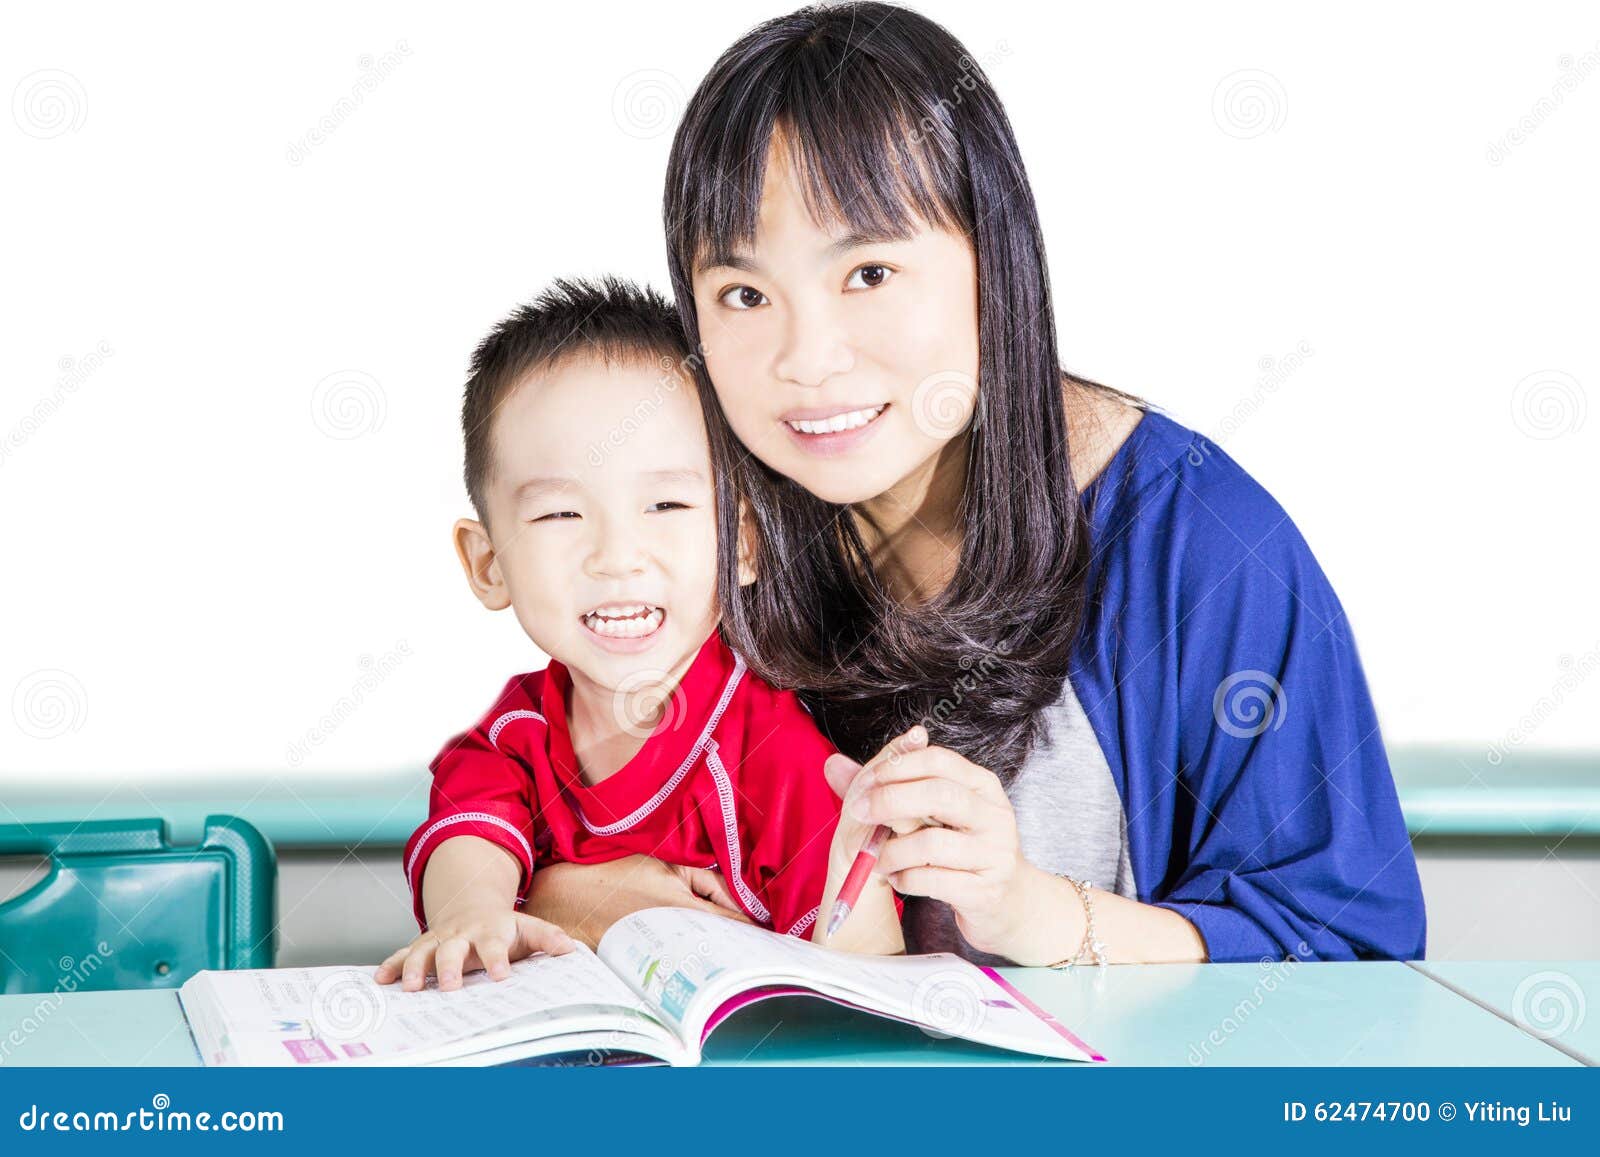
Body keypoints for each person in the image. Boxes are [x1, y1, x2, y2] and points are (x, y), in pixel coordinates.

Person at [527, 3, 1427, 966]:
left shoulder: (1197, 545)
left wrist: (1038, 915)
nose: (806, 359)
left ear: (993, 263)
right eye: (743, 294)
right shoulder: (689, 524)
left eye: (868, 271)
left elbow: (1351, 951)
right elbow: (543, 826)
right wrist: (575, 896)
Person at [375, 277, 902, 992]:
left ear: (742, 541)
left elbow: (866, 966)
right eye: (561, 515)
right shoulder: (517, 734)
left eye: (665, 503)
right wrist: (474, 915)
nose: (618, 556)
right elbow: (471, 833)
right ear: (488, 562)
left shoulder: (769, 748)